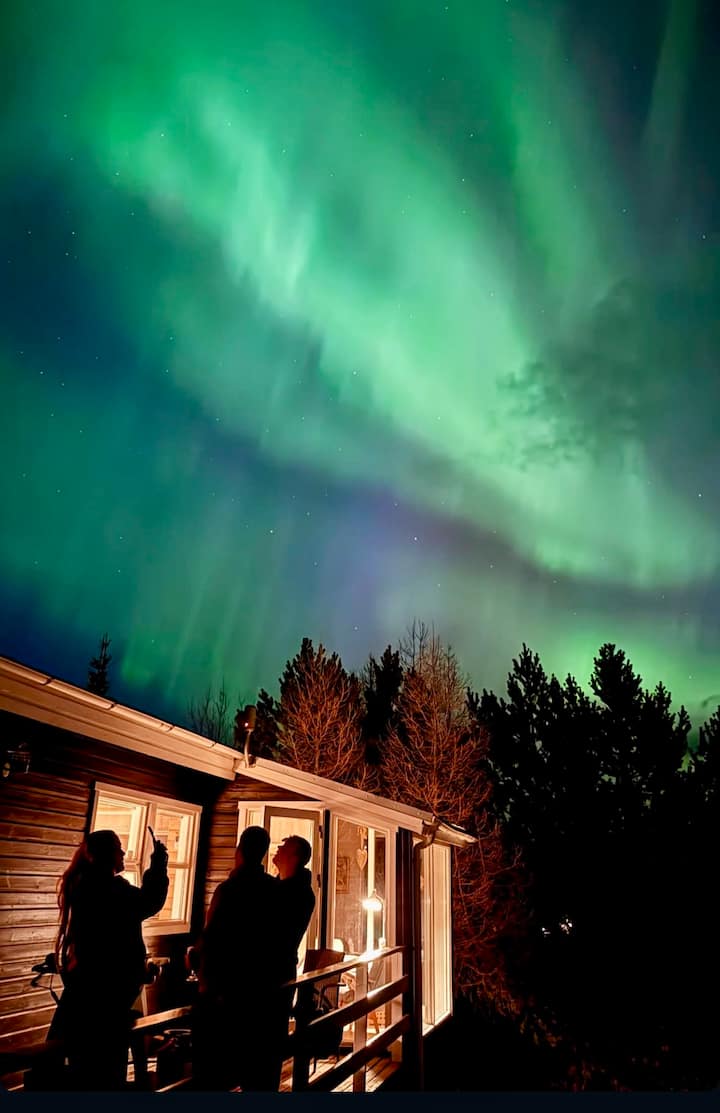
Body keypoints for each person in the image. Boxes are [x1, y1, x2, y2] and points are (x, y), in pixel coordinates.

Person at [49, 828, 169, 1090]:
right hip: (107, 1000)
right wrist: (159, 864)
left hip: (87, 992)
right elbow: (149, 900)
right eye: (118, 847)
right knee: (104, 1071)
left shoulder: (84, 886)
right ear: (108, 855)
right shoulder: (110, 890)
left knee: (88, 1068)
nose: (123, 852)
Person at [191, 825, 279, 1091]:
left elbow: (214, 935)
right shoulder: (274, 890)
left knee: (213, 1069)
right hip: (261, 989)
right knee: (256, 1070)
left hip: (226, 989)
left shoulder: (229, 890)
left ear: (239, 851)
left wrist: (200, 966)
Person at [266, 835, 316, 1090]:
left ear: (295, 857)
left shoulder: (298, 894)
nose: (277, 850)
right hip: (275, 970)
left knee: (270, 1036)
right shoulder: (280, 887)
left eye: (283, 848)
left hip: (276, 972)